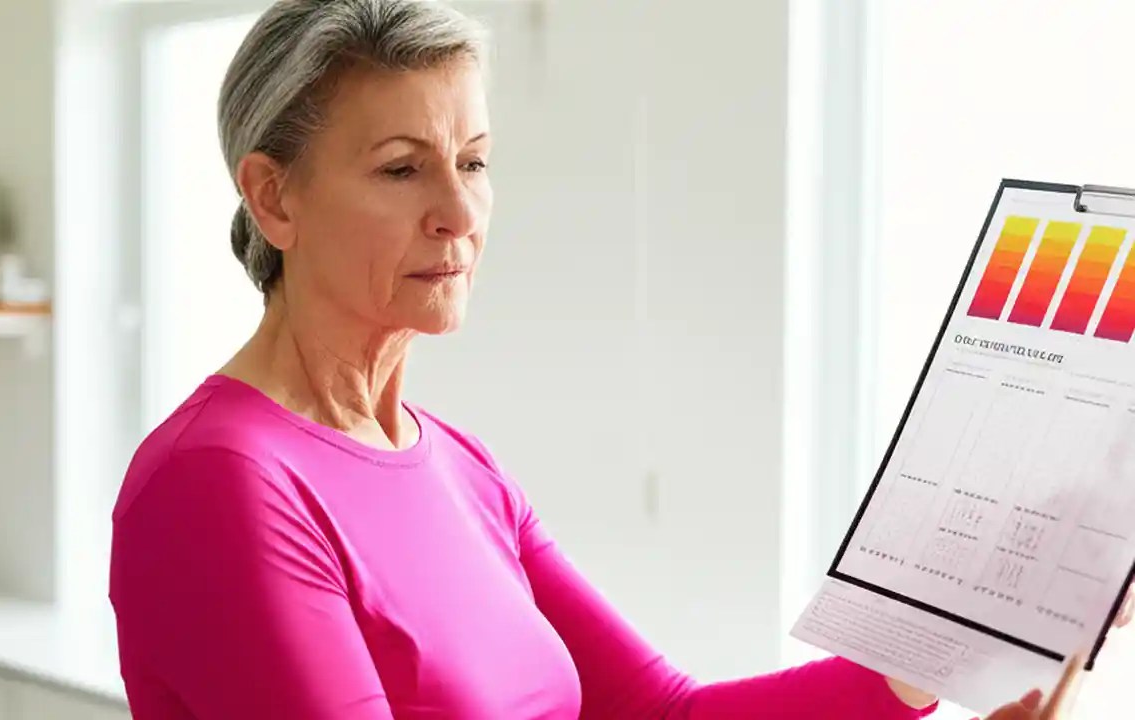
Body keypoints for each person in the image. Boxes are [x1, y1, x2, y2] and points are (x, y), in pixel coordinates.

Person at [108, 1, 1132, 718]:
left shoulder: (460, 469)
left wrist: (962, 631)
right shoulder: (221, 483)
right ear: (274, 197)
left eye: (473, 161)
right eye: (400, 169)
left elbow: (662, 712)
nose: (459, 212)